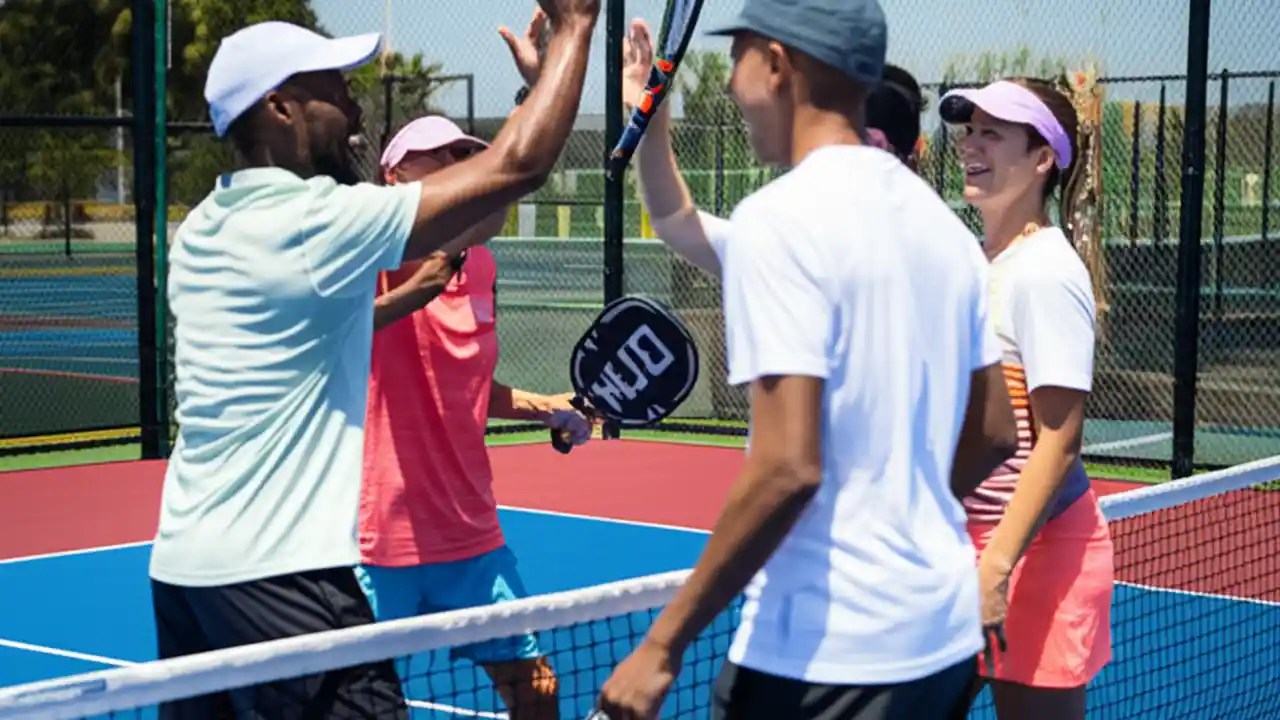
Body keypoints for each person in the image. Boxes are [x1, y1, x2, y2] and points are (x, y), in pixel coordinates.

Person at [147, 2, 600, 716]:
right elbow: (518, 167)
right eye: (332, 86)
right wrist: (578, 26)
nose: (352, 100)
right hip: (283, 576)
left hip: (184, 572)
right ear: (281, 107)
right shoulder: (312, 222)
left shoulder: (204, 225)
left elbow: (480, 213)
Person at [592, 1, 1019, 718]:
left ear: (779, 65)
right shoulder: (949, 235)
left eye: (738, 60)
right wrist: (898, 514)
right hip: (940, 640)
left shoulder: (779, 221)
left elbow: (788, 465)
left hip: (824, 659)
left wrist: (662, 645)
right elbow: (998, 433)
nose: (730, 85)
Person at [357, 113, 592, 720]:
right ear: (395, 173)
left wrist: (545, 407)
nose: (460, 165)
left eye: (468, 154)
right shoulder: (370, 246)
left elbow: (465, 387)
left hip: (467, 529)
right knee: (353, 706)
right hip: (377, 536)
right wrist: (535, 103)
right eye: (441, 156)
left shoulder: (479, 266)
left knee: (535, 687)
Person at [938, 76, 1113, 720]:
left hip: (1034, 557)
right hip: (965, 545)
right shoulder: (981, 260)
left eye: (993, 133)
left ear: (1043, 159)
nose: (971, 145)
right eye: (970, 130)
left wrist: (997, 568)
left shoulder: (1044, 273)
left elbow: (1060, 440)